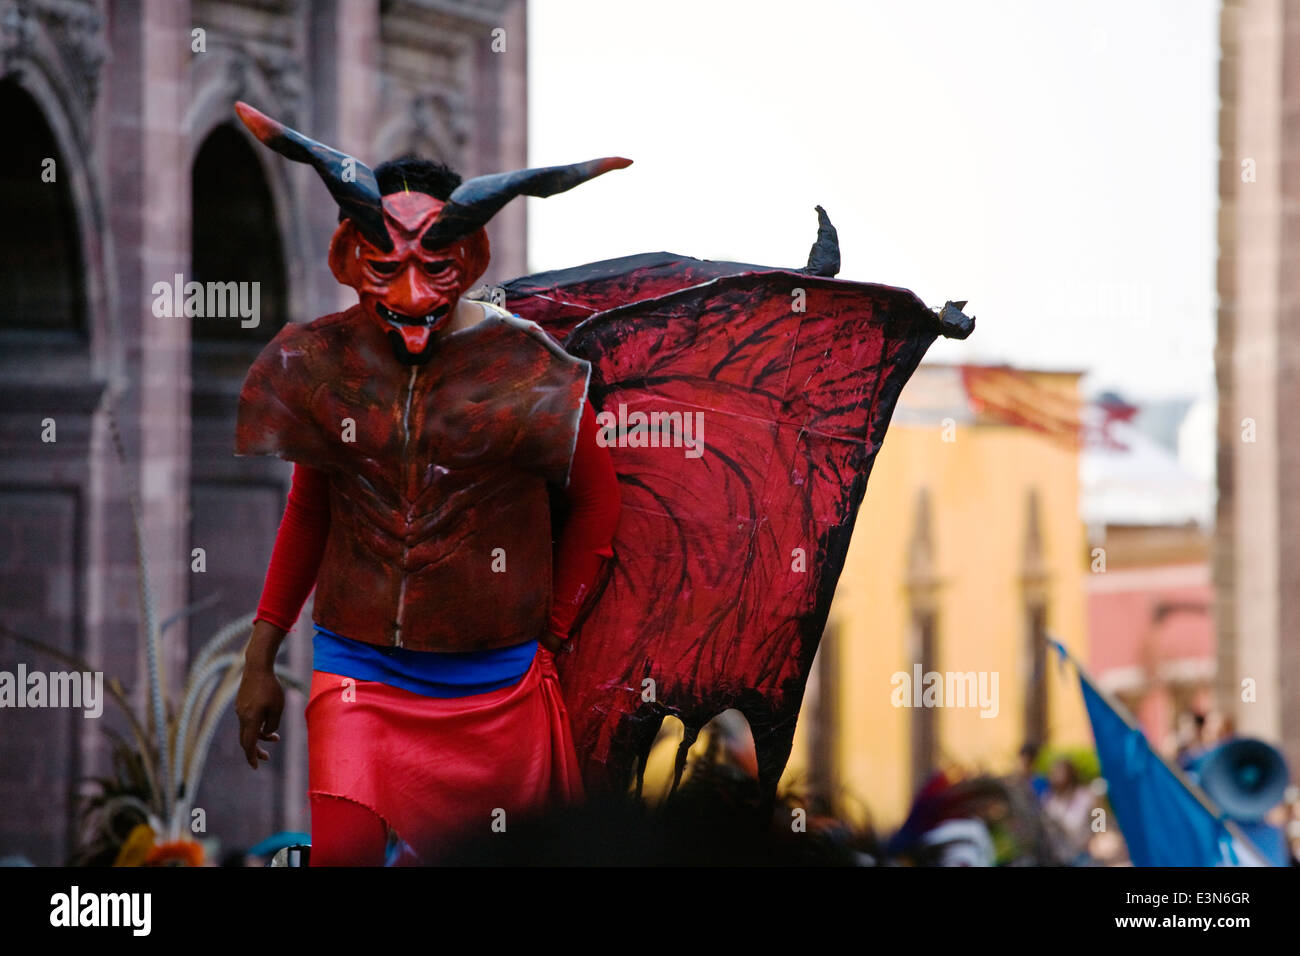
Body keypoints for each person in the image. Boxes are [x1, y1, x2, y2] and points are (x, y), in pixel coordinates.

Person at [229, 102, 626, 865]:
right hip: (358, 674)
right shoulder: (330, 362)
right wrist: (260, 657)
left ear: (466, 259)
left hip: (497, 686)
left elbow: (598, 501)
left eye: (432, 269)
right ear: (354, 257)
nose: (411, 295)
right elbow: (312, 509)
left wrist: (557, 634)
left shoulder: (530, 366)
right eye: (387, 270)